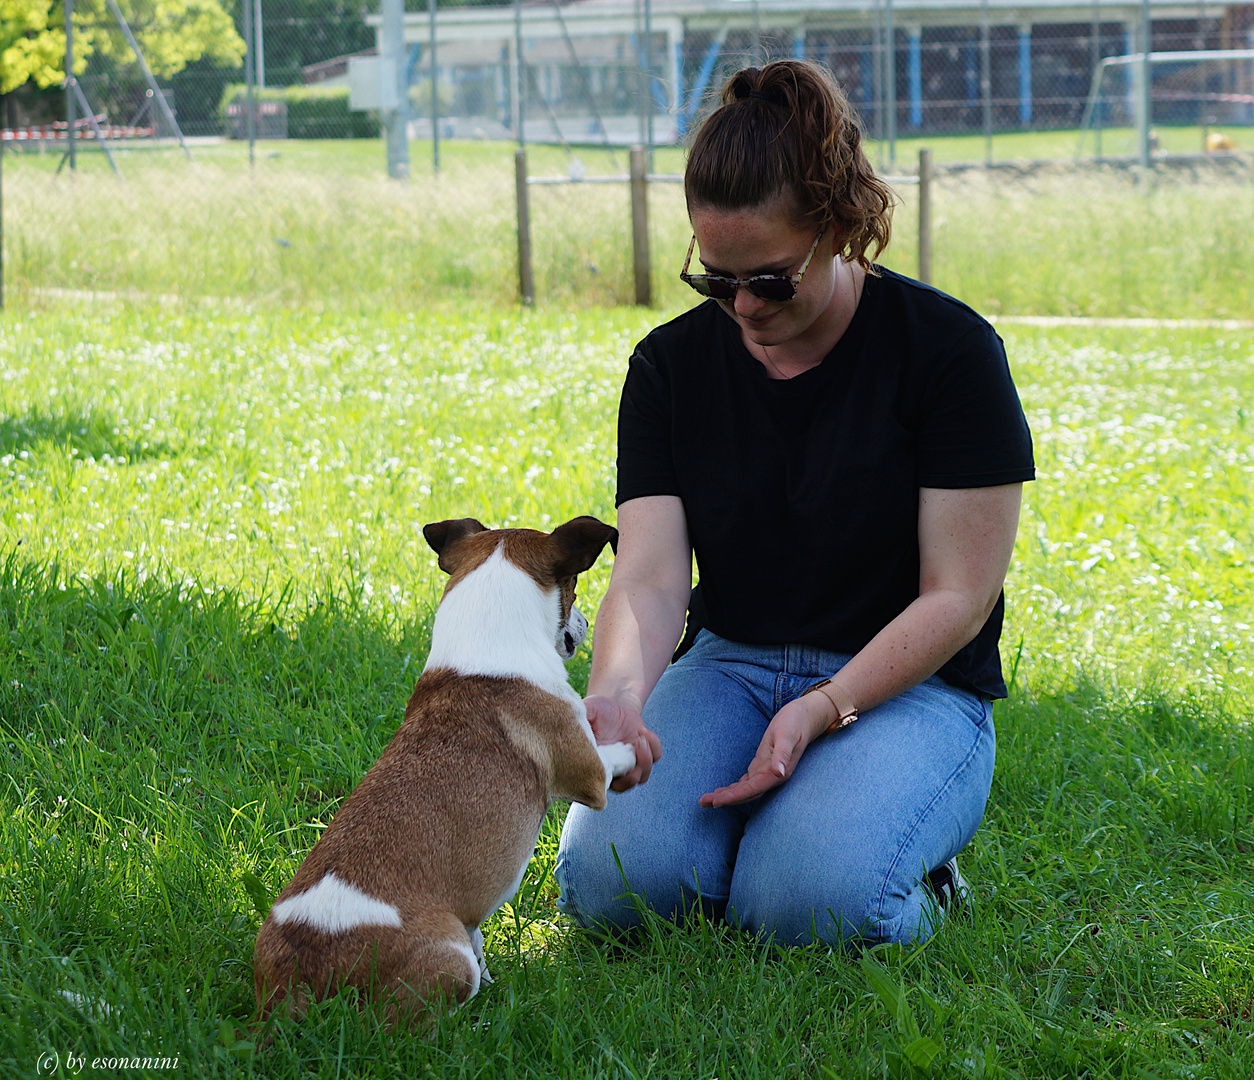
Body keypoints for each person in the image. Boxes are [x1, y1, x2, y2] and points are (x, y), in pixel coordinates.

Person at [555, 58, 1034, 949]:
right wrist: (619, 694)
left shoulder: (950, 353)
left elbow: (957, 598)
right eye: (714, 280)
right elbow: (652, 577)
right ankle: (767, 844)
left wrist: (823, 708)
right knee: (611, 891)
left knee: (802, 909)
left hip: (911, 689)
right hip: (732, 665)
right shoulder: (669, 367)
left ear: (841, 228)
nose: (741, 306)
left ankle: (912, 872)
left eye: (770, 280)